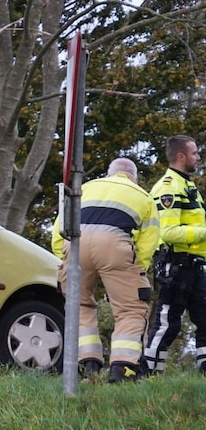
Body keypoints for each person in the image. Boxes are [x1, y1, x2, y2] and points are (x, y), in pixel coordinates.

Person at [52, 157, 159, 383]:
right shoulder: (143, 196)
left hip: (75, 243)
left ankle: (87, 363)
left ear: (109, 173)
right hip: (115, 244)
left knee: (78, 305)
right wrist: (133, 274)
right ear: (134, 177)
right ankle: (124, 368)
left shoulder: (86, 188)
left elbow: (58, 229)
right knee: (131, 308)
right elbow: (148, 245)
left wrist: (64, 259)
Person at [143, 135, 206, 376]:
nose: (198, 157)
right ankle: (148, 374)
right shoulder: (168, 187)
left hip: (194, 265)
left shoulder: (187, 185)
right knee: (168, 324)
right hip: (176, 265)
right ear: (181, 156)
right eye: (194, 153)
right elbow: (168, 232)